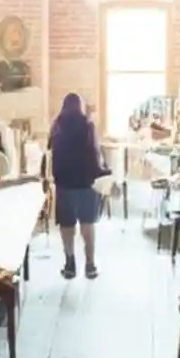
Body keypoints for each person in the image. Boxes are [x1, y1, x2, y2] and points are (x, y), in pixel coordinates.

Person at [50, 92, 104, 280]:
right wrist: (100, 171)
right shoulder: (88, 125)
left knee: (67, 224)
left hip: (64, 182)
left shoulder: (57, 125)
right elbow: (94, 152)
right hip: (85, 181)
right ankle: (90, 264)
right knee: (87, 223)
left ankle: (70, 262)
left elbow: (51, 151)